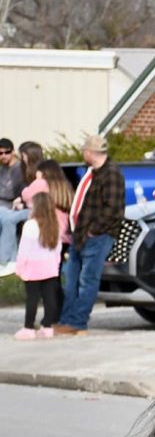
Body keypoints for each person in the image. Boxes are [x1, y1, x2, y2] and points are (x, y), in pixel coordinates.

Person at [54, 134, 126, 336]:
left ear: (90, 152)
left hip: (96, 236)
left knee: (87, 280)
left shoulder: (111, 174)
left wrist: (92, 231)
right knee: (71, 278)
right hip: (81, 235)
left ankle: (78, 322)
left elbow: (113, 210)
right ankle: (67, 320)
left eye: (84, 150)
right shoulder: (93, 173)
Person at [14, 193, 63, 339]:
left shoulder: (30, 225)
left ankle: (28, 328)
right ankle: (47, 327)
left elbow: (24, 250)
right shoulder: (55, 225)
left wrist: (19, 266)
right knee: (49, 298)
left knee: (32, 298)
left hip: (32, 268)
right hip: (50, 267)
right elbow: (58, 248)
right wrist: (56, 263)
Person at [0, 138, 26, 274]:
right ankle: (10, 259)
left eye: (7, 152)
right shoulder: (2, 169)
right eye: (0, 153)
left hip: (15, 205)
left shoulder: (20, 169)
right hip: (3, 205)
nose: (3, 156)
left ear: (13, 152)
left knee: (6, 219)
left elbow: (17, 193)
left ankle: (6, 259)